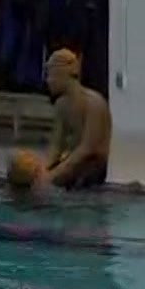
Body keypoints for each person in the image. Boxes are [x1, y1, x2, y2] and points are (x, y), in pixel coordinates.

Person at [43, 49, 112, 190]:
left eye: (51, 76)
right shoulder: (61, 104)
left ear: (63, 75)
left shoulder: (94, 103)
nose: (48, 81)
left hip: (93, 165)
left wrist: (52, 176)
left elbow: (87, 148)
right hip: (74, 161)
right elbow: (56, 145)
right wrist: (42, 170)